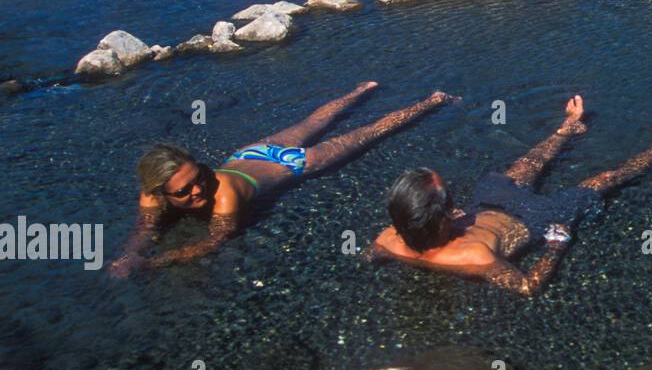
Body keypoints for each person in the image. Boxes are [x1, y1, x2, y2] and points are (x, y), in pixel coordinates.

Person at [110, 82, 457, 275]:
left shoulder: (224, 196)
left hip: (292, 163)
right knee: (312, 121)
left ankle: (430, 100)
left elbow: (214, 242)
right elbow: (143, 229)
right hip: (248, 154)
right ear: (157, 191)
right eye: (185, 190)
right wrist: (129, 255)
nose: (199, 188)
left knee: (366, 133)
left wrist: (156, 262)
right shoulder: (150, 196)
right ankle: (362, 89)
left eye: (199, 176)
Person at [372, 95, 652, 296]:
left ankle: (569, 125)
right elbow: (526, 287)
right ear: (441, 215)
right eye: (449, 199)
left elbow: (369, 258)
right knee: (605, 179)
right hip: (533, 219)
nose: (454, 202)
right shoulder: (473, 257)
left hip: (487, 206)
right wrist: (555, 249)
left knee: (528, 162)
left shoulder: (388, 239)